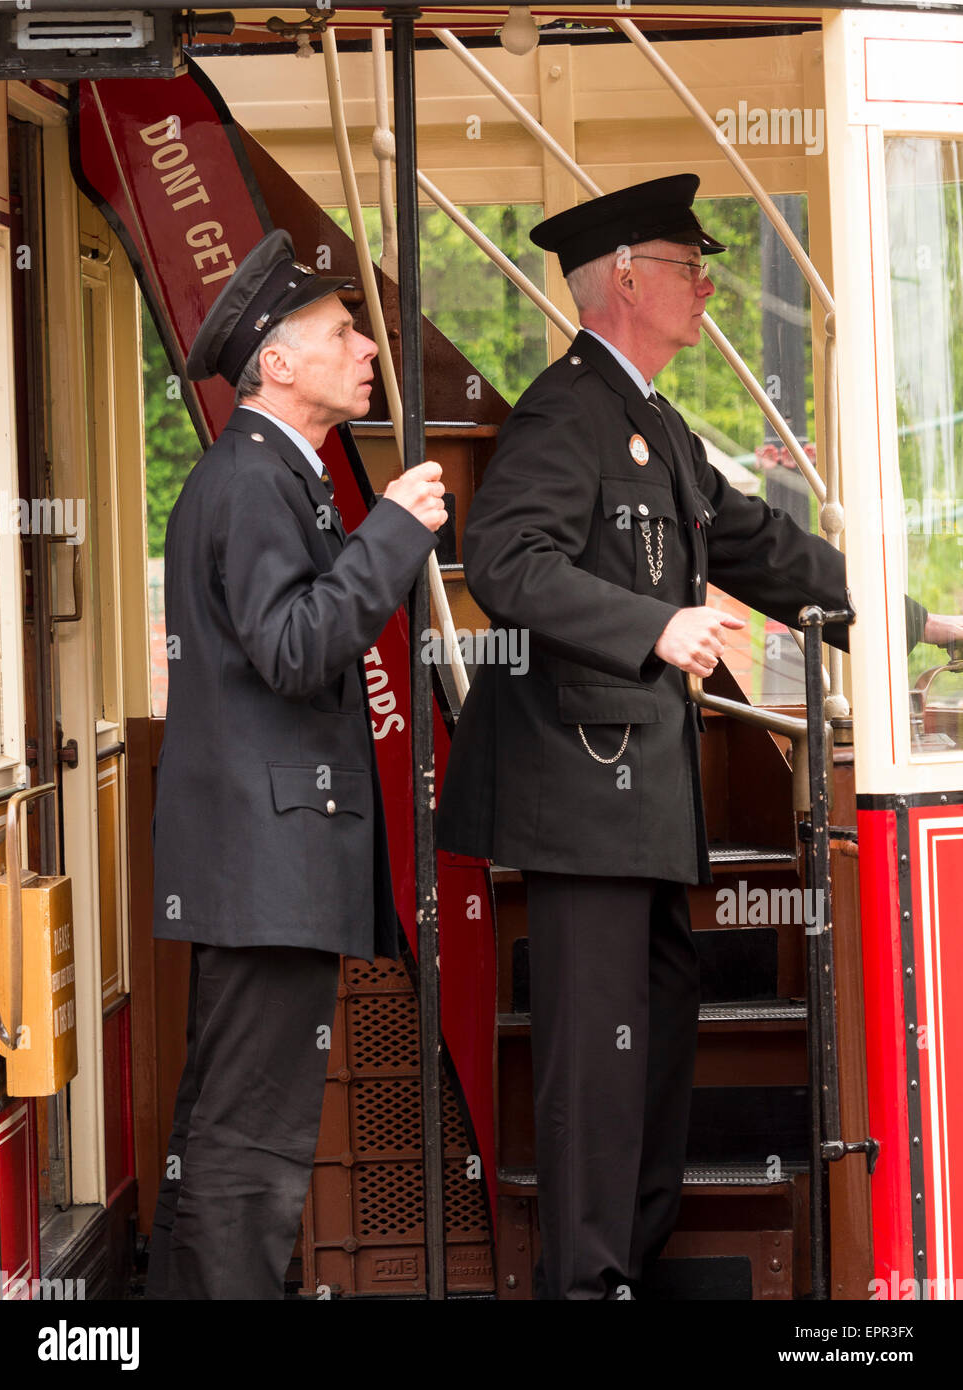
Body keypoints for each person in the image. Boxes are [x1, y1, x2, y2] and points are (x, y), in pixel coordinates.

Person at [436, 174, 855, 1301]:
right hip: (582, 799)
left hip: (640, 807)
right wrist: (654, 623)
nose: (709, 284)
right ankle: (587, 1283)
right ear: (628, 277)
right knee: (597, 1068)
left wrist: (915, 620)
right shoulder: (567, 410)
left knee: (658, 1046)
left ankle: (629, 1261)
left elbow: (759, 543)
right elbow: (506, 562)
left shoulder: (652, 418)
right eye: (688, 264)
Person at [144, 229, 447, 1300]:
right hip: (263, 868)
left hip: (260, 864)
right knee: (253, 1147)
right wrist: (396, 532)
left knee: (221, 1128)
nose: (366, 347)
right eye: (340, 332)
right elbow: (290, 648)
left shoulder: (270, 472)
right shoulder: (257, 482)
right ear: (278, 362)